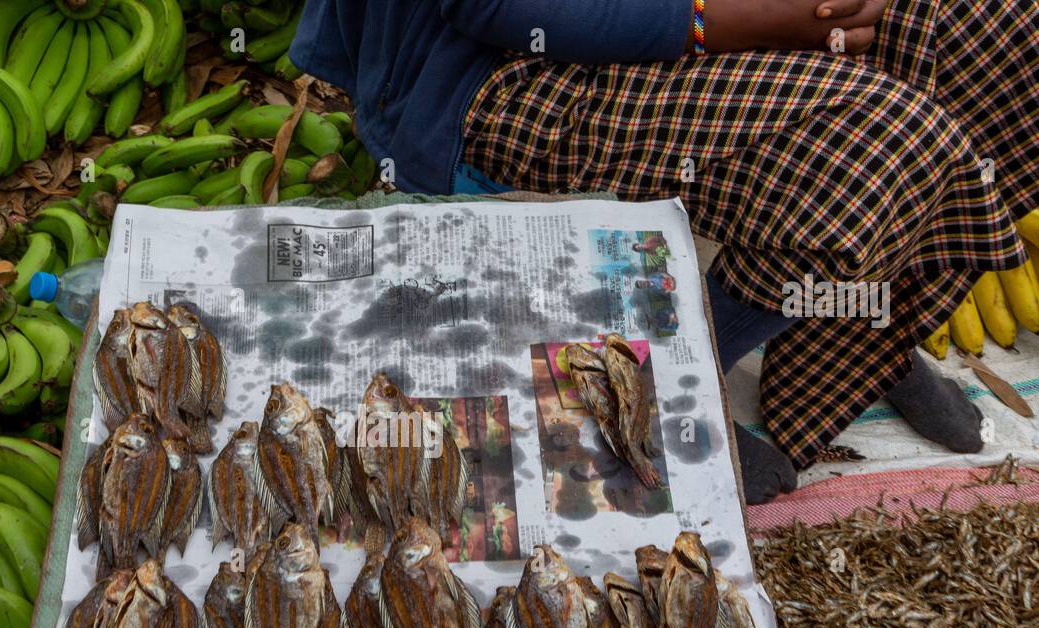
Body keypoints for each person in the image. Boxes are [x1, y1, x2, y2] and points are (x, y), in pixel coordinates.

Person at [289, 1, 1038, 503]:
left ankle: (840, 327)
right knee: (883, 137)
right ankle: (651, 381)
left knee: (1002, 28)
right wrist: (710, 20)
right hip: (493, 63)